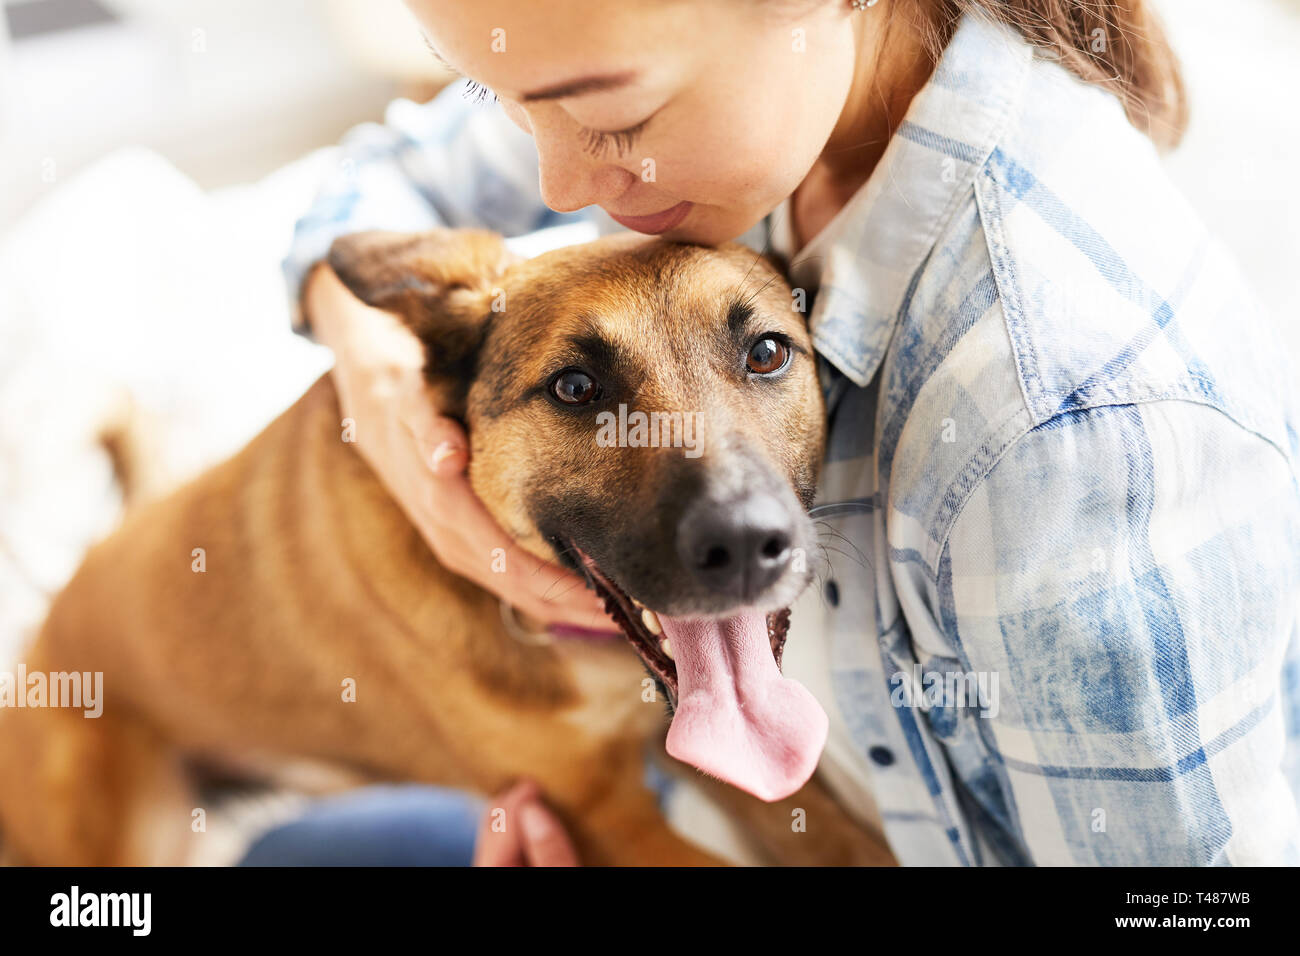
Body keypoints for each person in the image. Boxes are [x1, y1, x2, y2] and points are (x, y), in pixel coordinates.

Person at [269, 0, 1300, 865]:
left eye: (607, 112)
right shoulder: (691, 64)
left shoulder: (1057, 431)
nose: (560, 189)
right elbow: (366, 194)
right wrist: (379, 385)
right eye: (511, 101)